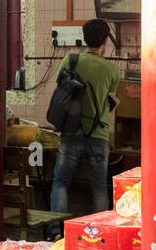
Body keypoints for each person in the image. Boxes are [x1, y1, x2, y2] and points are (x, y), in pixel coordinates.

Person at [50, 18, 120, 216]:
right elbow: (110, 102)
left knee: (61, 182)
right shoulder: (112, 70)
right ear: (105, 41)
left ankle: (56, 229)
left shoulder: (70, 61)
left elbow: (61, 92)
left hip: (71, 131)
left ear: (84, 38)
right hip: (99, 135)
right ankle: (100, 233)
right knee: (99, 187)